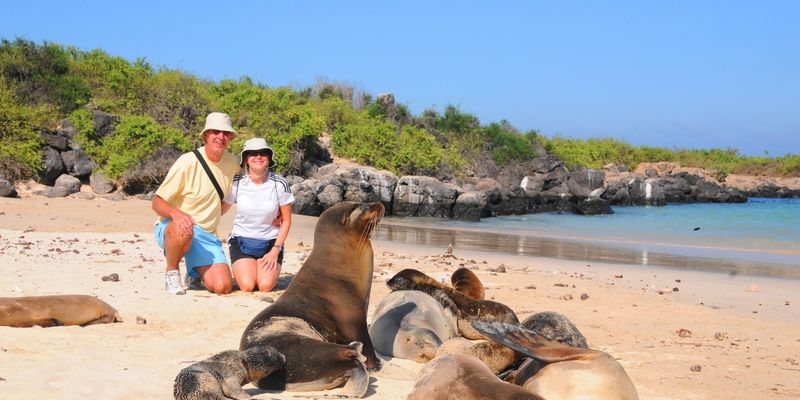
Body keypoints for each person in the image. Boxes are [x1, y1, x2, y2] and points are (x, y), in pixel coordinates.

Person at [152, 112, 241, 295]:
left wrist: (277, 211)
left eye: (225, 133)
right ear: (206, 135)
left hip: (207, 234)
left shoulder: (232, 163)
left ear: (230, 137)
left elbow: (247, 187)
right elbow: (157, 202)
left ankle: (193, 272)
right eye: (215, 132)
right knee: (182, 228)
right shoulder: (187, 162)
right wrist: (177, 214)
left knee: (223, 287)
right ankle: (172, 272)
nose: (220, 137)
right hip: (177, 227)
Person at [224, 138, 294, 292]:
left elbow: (287, 221)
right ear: (246, 159)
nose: (258, 157)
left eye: (263, 153)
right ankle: (249, 266)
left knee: (265, 286)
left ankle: (259, 267)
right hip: (241, 241)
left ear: (269, 158)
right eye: (252, 154)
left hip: (271, 243)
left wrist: (275, 249)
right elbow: (220, 210)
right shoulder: (236, 182)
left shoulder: (279, 183)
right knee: (247, 286)